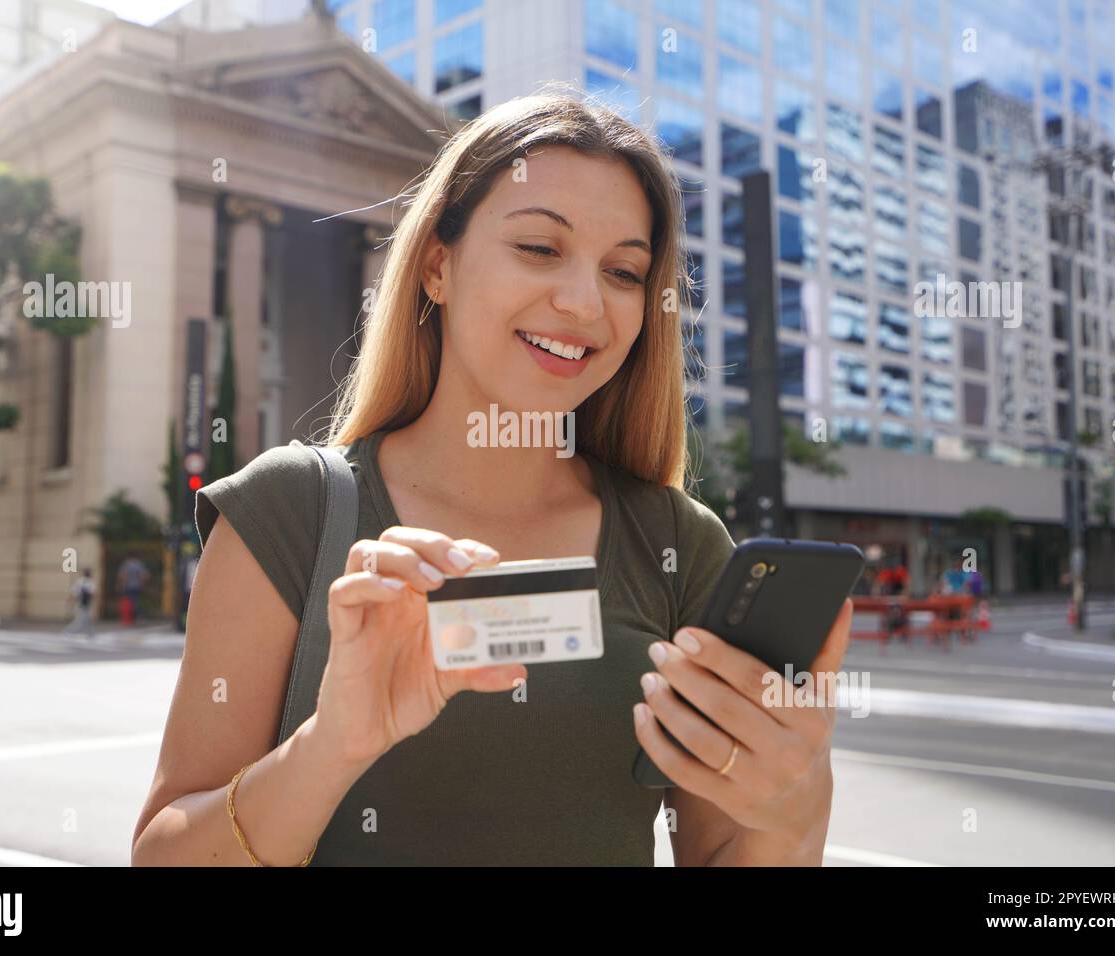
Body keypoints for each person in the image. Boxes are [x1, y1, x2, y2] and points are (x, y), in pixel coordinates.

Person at [131, 88, 853, 867]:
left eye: (623, 271)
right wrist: (330, 745)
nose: (583, 303)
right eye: (540, 249)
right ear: (438, 265)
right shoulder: (290, 511)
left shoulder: (679, 542)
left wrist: (793, 812)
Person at [116, 553, 150, 625]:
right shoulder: (139, 564)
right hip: (137, 586)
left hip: (128, 586)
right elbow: (144, 575)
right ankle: (137, 617)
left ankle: (132, 617)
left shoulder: (126, 564)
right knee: (135, 601)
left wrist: (122, 584)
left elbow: (122, 575)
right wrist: (142, 584)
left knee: (129, 602)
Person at [64, 569, 95, 637]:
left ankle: (90, 633)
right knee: (81, 620)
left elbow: (73, 592)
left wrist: (70, 600)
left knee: (86, 619)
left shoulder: (80, 581)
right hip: (85, 604)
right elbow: (92, 594)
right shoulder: (89, 582)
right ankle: (69, 631)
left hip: (80, 603)